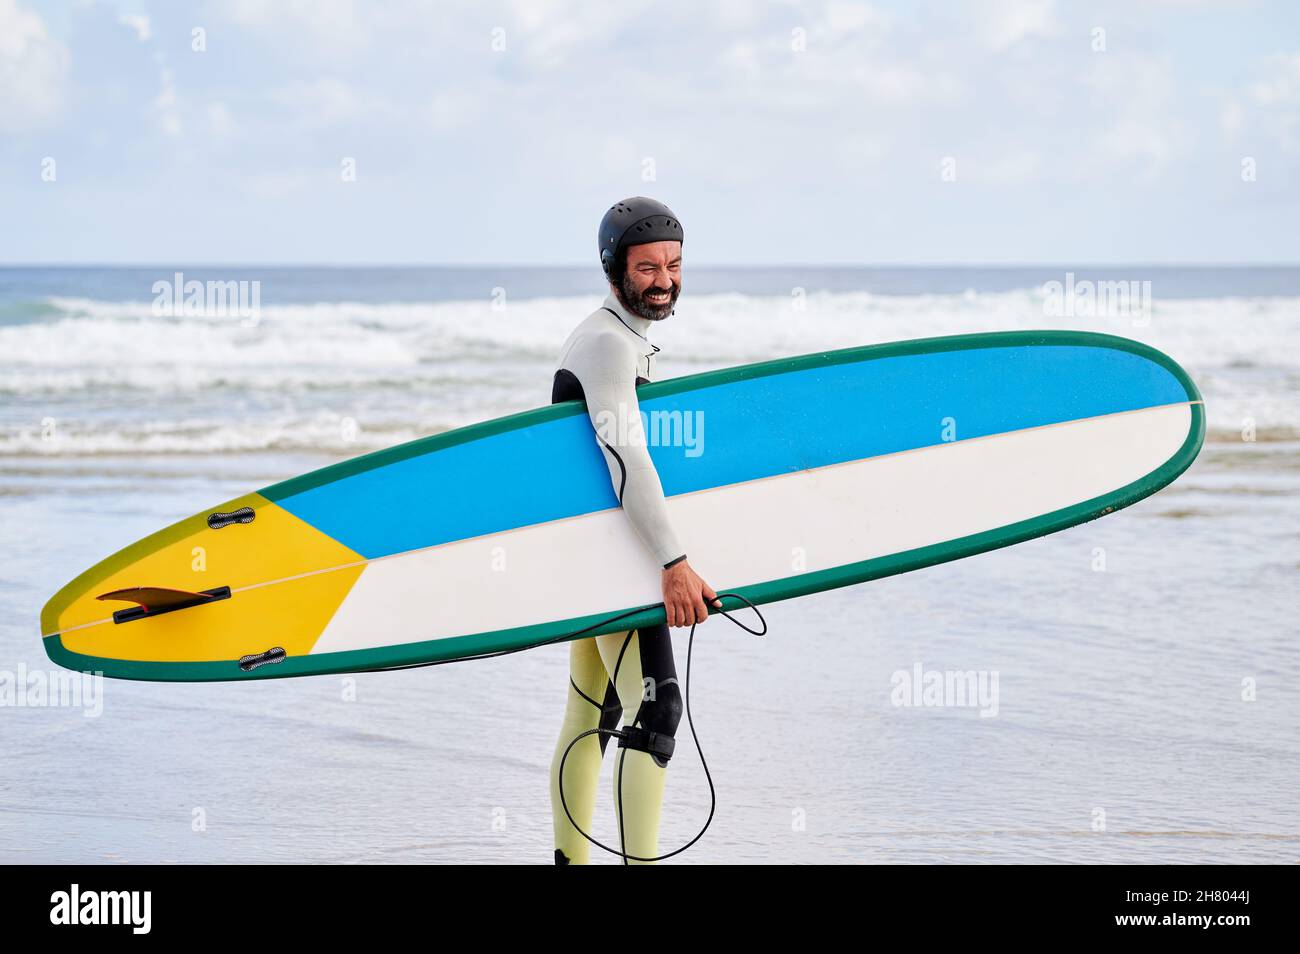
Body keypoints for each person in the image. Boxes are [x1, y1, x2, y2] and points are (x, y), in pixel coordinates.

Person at [549, 197, 721, 864]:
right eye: (647, 267)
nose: (664, 280)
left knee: (593, 716)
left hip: (593, 552)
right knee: (656, 716)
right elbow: (626, 458)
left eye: (675, 266)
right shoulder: (607, 345)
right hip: (617, 560)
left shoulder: (612, 338)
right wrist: (674, 562)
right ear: (613, 269)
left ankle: (569, 860)